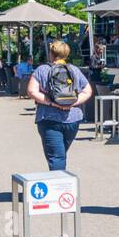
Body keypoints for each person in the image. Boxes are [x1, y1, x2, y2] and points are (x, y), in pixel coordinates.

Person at [27, 40, 92, 170]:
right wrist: (72, 103)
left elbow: (31, 91)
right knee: (60, 154)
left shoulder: (42, 70)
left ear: (51, 53)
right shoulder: (74, 70)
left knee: (56, 157)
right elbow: (88, 91)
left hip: (49, 118)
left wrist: (52, 103)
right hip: (73, 119)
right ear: (67, 54)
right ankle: (59, 181)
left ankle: (59, 187)